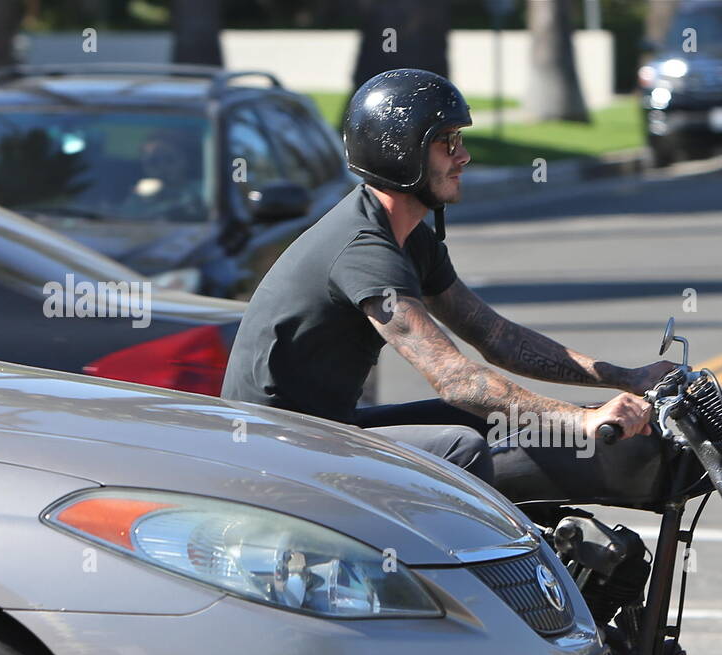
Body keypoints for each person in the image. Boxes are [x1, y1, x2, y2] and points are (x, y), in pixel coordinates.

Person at [221, 68, 674, 486]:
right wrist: (579, 422)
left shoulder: (407, 236)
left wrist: (625, 378)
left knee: (484, 423)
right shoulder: (364, 248)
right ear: (401, 153)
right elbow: (456, 380)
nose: (464, 156)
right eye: (447, 143)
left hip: (322, 427)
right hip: (279, 447)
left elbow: (495, 336)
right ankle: (467, 572)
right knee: (463, 446)